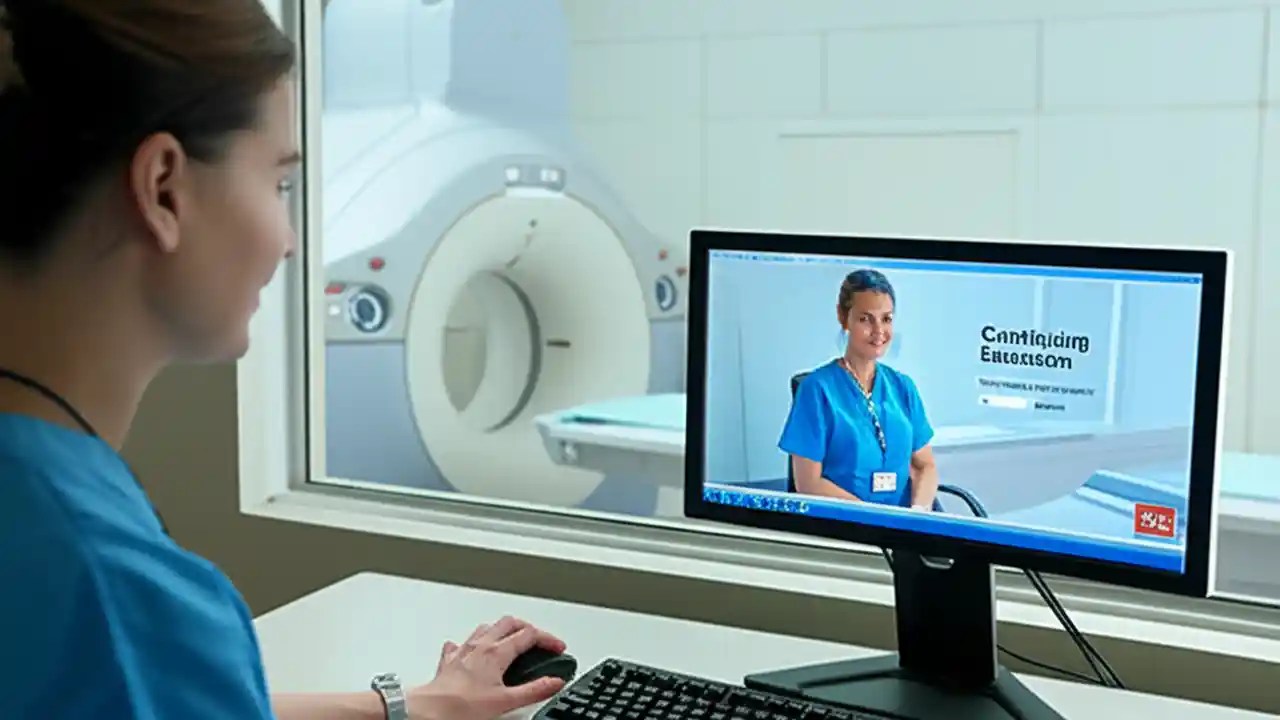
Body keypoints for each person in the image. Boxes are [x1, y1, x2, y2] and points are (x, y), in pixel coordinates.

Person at [0, 1, 568, 718]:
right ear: (164, 188)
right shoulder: (114, 590)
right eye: (279, 184)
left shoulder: (48, 521)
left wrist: (412, 705)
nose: (289, 241)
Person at [778, 269, 940, 510]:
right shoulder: (817, 390)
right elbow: (808, 483)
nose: (879, 331)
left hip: (904, 524)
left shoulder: (903, 387)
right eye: (866, 319)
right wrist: (874, 519)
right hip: (846, 523)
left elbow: (925, 465)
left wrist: (918, 513)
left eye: (886, 319)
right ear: (843, 318)